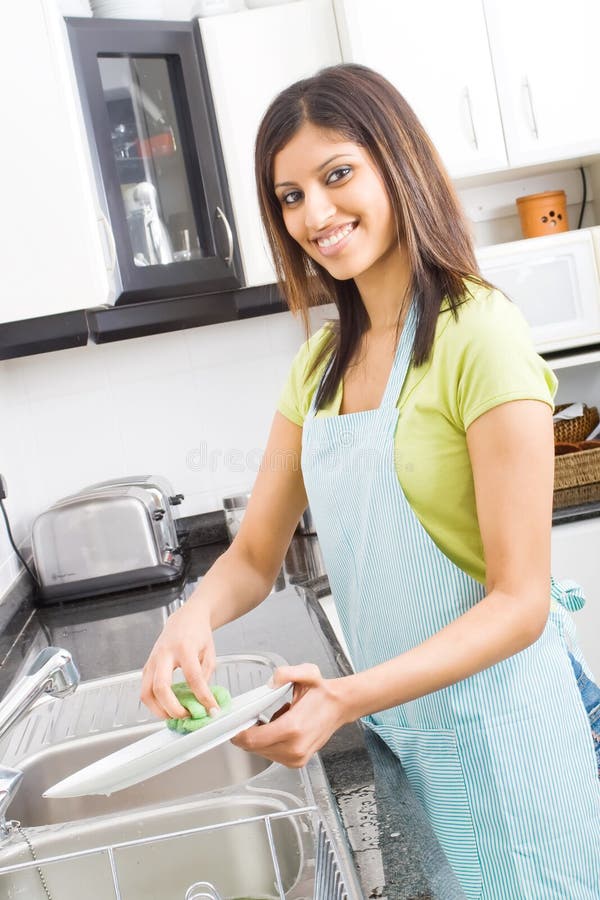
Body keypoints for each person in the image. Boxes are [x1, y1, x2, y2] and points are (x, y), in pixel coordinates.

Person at [141, 64, 600, 898]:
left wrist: (345, 697)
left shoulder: (480, 334)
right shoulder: (319, 366)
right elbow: (253, 556)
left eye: (337, 174)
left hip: (509, 739)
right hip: (409, 735)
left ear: (398, 164)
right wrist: (189, 620)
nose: (315, 215)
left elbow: (519, 601)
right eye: (288, 197)